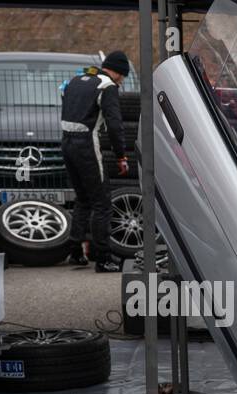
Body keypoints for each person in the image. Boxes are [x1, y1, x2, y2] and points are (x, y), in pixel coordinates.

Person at [60, 50, 131, 271]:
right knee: (102, 203)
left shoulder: (74, 81)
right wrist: (121, 155)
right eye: (123, 77)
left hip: (66, 143)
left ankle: (75, 252)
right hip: (86, 146)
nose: (121, 81)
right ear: (119, 73)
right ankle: (104, 258)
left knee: (82, 198)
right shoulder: (107, 86)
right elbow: (115, 124)